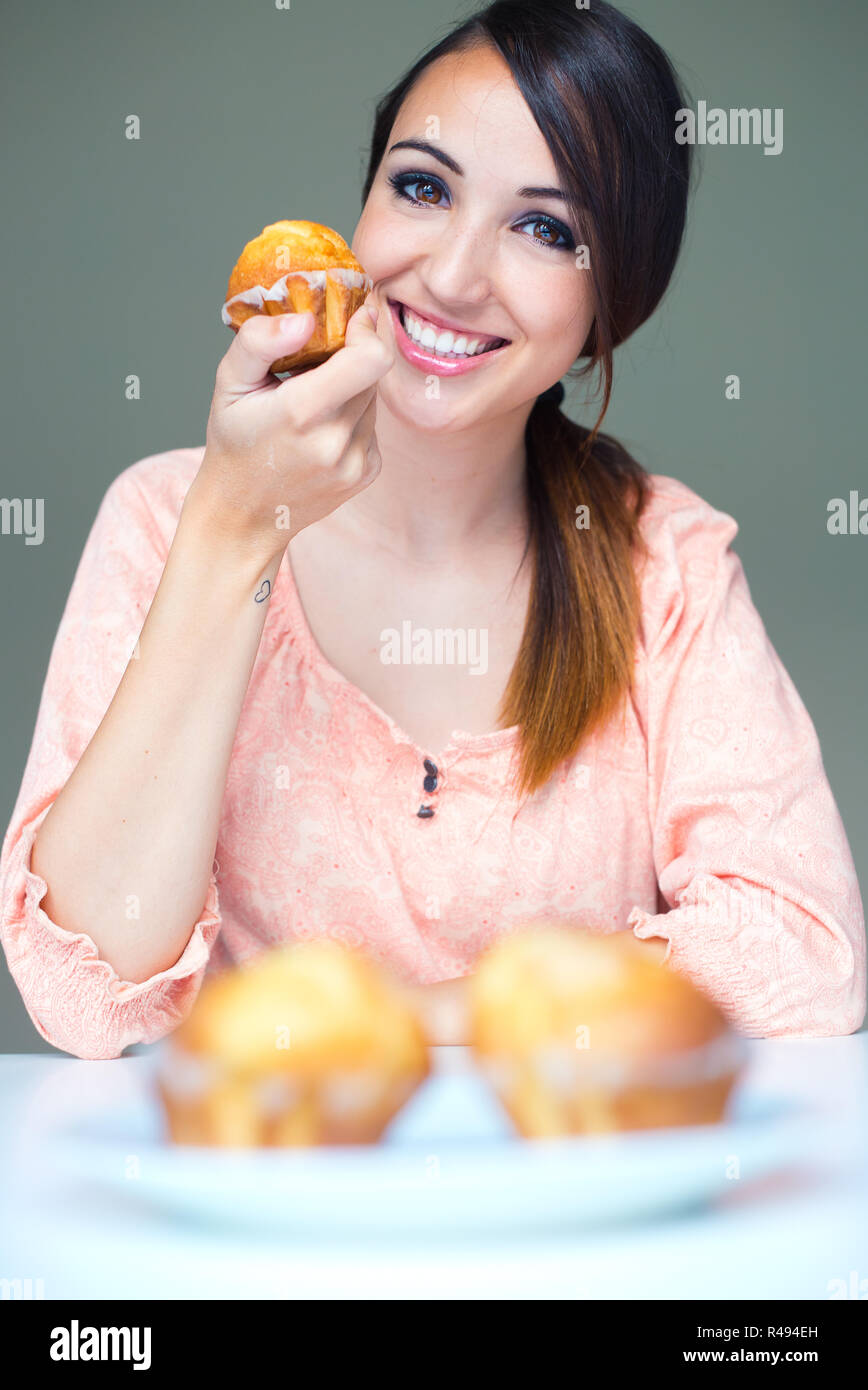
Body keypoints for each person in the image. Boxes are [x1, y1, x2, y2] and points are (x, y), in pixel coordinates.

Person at [1, 0, 863, 1059]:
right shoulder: (165, 514)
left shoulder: (661, 561)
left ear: (611, 306)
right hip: (260, 1200)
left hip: (572, 1209)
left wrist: (402, 1023)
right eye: (422, 187)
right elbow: (92, 996)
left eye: (545, 229)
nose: (453, 277)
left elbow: (804, 954)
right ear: (361, 211)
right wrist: (235, 529)